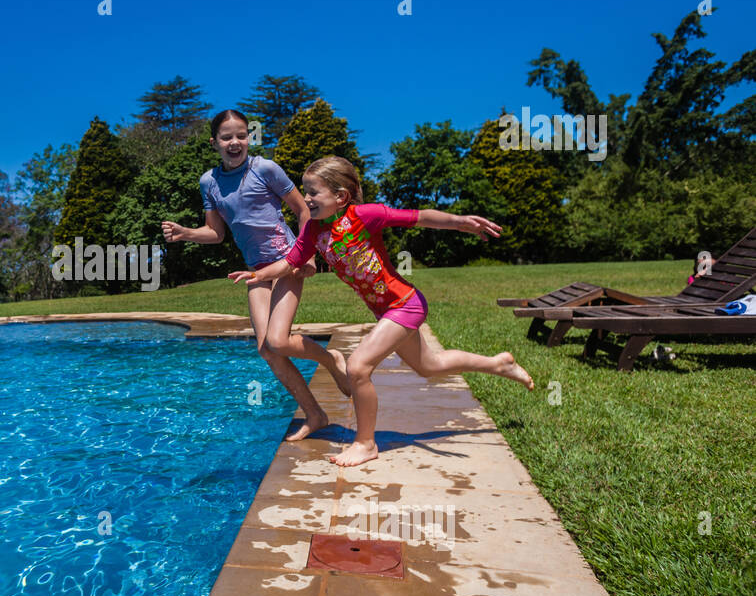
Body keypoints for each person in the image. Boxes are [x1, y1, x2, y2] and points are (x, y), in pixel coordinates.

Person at [228, 155, 534, 466]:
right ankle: (499, 364)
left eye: (313, 192)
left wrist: (458, 221)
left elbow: (418, 217)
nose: (306, 199)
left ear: (340, 196)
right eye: (305, 191)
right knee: (430, 365)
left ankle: (365, 443)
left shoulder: (365, 215)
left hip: (405, 304)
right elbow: (290, 262)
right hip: (385, 311)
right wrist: (258, 274)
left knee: (358, 367)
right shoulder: (314, 231)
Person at [162, 110, 350, 442]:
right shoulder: (209, 182)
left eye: (241, 135)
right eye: (226, 137)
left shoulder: (265, 169)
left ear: (249, 137)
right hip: (257, 270)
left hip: (287, 261)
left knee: (279, 341)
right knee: (267, 350)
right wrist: (185, 233)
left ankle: (331, 359)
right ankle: (316, 415)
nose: (234, 142)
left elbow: (303, 210)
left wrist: (305, 255)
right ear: (214, 143)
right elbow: (215, 232)